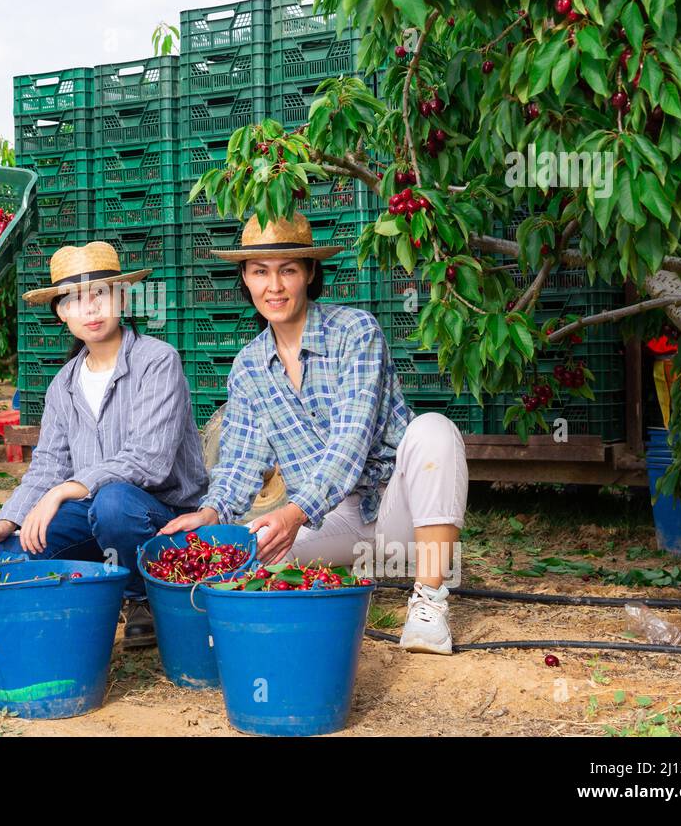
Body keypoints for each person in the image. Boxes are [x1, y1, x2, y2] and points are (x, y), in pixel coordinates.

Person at [161, 212, 469, 654]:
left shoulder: (355, 333)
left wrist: (295, 512)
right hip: (332, 520)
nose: (275, 286)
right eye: (260, 272)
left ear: (308, 273)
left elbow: (352, 441)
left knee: (434, 431)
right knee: (257, 548)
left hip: (396, 509)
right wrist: (212, 513)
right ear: (245, 279)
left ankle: (429, 604)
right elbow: (241, 460)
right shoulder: (249, 366)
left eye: (288, 270)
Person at [0, 241, 207, 648]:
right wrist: (8, 519)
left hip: (162, 515)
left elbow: (150, 461)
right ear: (61, 313)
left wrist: (65, 490)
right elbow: (47, 467)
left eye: (100, 293)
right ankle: (99, 590)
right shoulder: (64, 385)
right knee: (15, 545)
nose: (90, 309)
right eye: (74, 300)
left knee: (114, 503)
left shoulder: (157, 360)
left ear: (122, 297)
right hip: (96, 517)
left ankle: (141, 598)